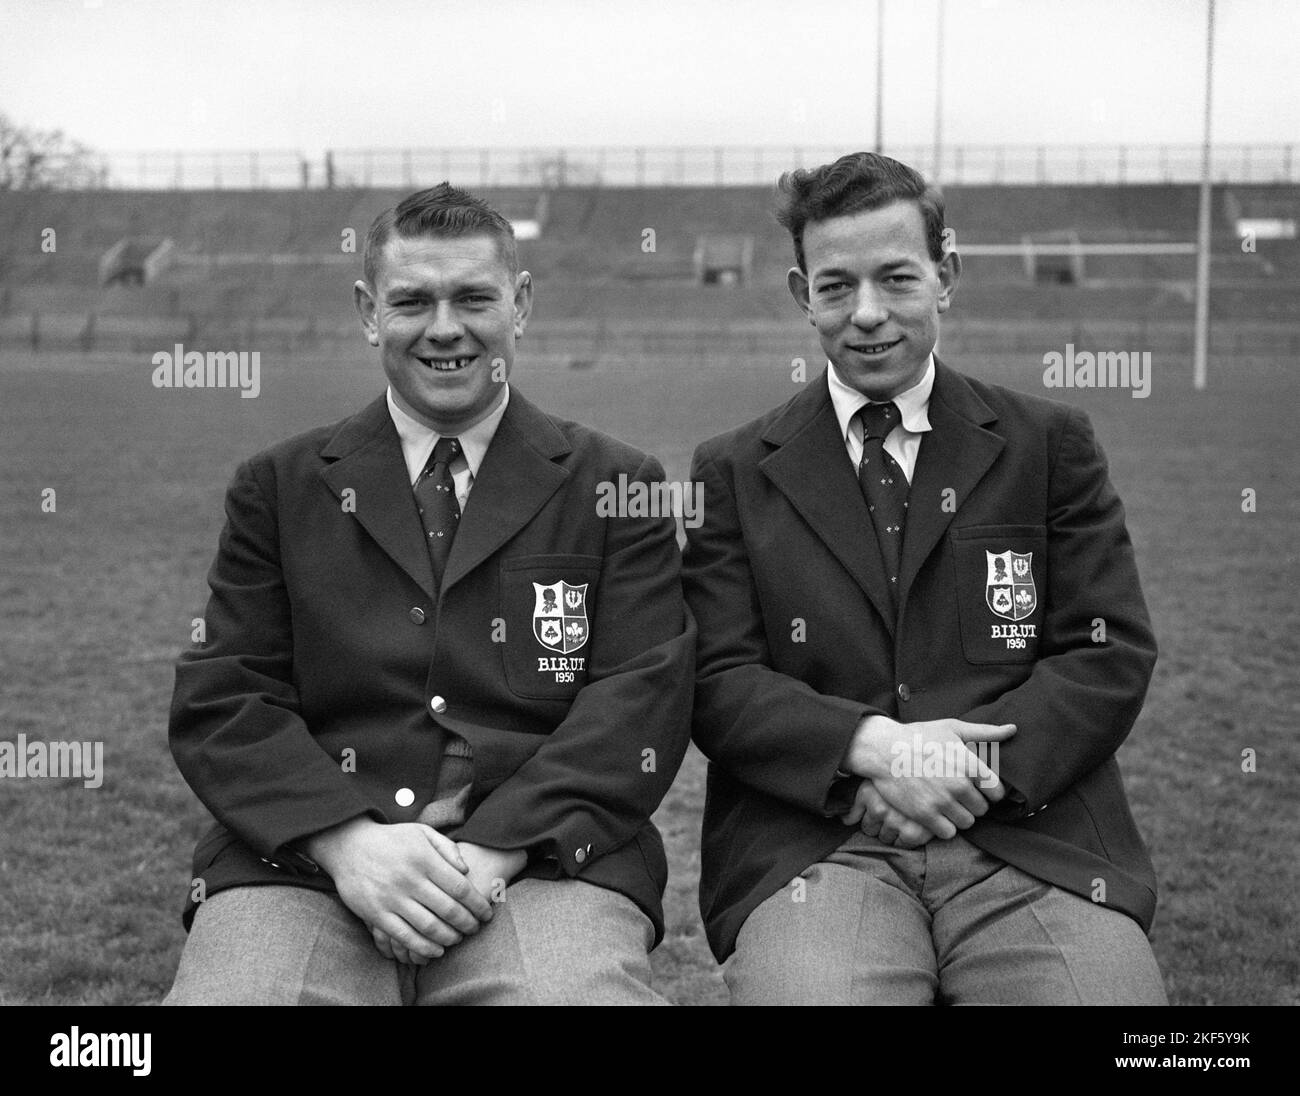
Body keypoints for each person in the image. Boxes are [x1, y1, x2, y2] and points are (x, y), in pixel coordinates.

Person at [164, 183, 694, 1005]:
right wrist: (345, 843)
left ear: (519, 305)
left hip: (543, 861)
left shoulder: (616, 483)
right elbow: (225, 693)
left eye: (473, 297)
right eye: (412, 300)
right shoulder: (281, 486)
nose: (444, 328)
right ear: (370, 312)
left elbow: (641, 700)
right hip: (305, 864)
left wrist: (496, 850)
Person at [682, 152, 1166, 1005]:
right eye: (836, 287)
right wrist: (873, 752)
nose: (867, 314)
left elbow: (1107, 652)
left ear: (946, 276)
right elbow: (718, 679)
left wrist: (953, 766)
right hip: (819, 847)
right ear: (802, 295)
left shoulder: (1050, 444)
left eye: (896, 278)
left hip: (1034, 839)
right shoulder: (732, 470)